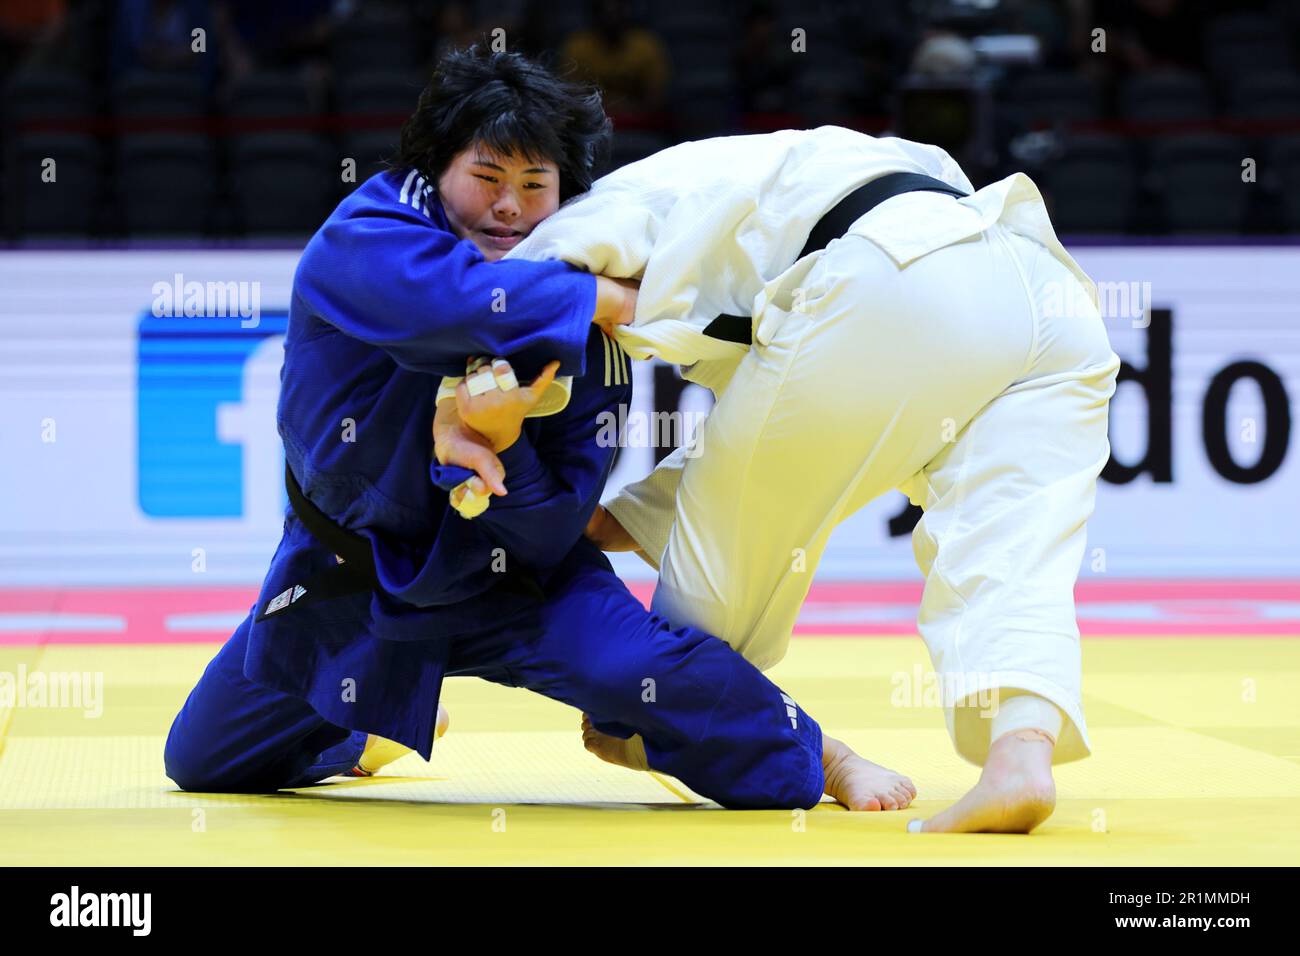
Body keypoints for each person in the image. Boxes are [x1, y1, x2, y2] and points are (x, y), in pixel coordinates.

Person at [164, 47, 912, 812]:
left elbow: (555, 528)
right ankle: (370, 727)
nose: (509, 208)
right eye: (485, 179)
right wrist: (607, 300)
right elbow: (453, 303)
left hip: (516, 584)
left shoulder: (587, 330)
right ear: (435, 168)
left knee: (639, 675)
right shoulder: (366, 237)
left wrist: (508, 442)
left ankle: (824, 752)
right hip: (349, 573)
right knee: (203, 759)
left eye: (534, 185)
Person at [486, 124, 1120, 833]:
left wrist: (465, 413)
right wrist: (617, 519)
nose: (507, 210)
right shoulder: (778, 164)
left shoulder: (586, 219)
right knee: (1012, 547)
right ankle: (1019, 758)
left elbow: (501, 306)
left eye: (523, 189)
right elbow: (766, 438)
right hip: (1044, 296)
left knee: (687, 635)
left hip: (896, 280)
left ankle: (651, 726)